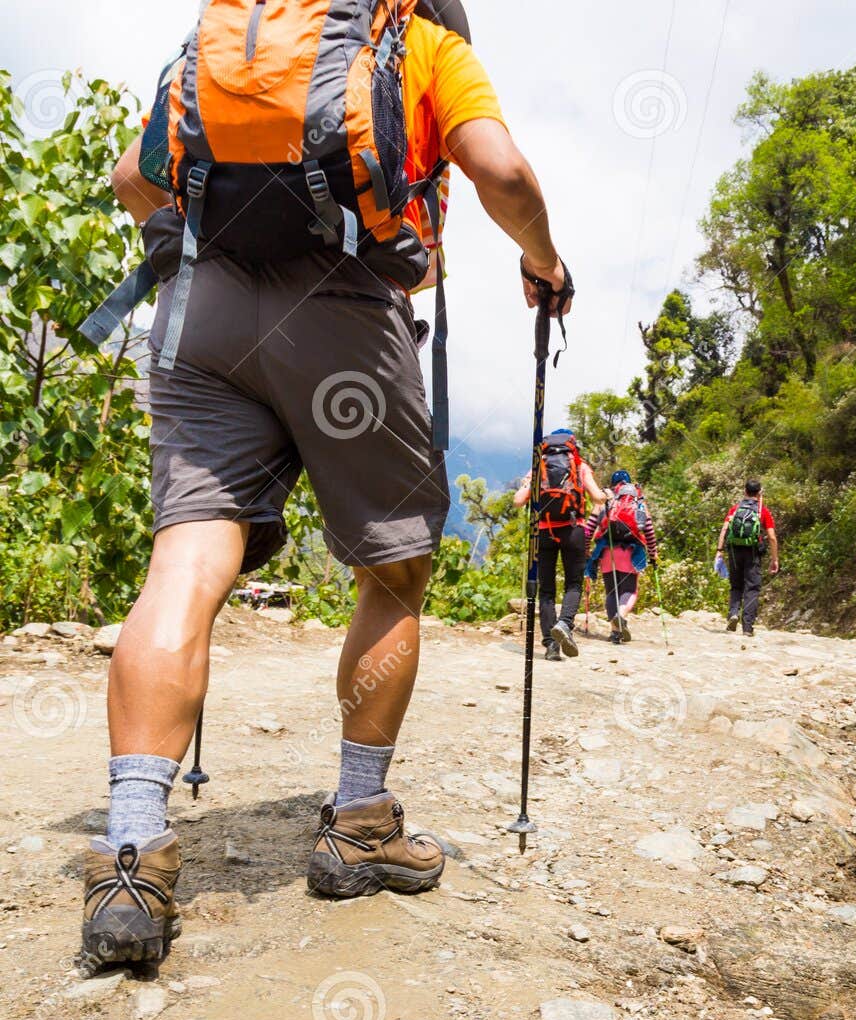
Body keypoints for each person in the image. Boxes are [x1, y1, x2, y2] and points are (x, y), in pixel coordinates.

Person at [84, 4, 573, 967]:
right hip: (346, 313)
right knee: (392, 571)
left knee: (186, 556)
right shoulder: (421, 44)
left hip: (203, 313)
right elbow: (503, 172)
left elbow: (135, 179)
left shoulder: (228, 39)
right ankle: (358, 823)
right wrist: (543, 260)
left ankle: (130, 850)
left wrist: (205, 255)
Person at [513, 430, 611, 661]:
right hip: (573, 530)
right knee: (573, 584)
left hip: (544, 532)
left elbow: (518, 500)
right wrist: (605, 495)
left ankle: (550, 646)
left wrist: (527, 483)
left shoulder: (539, 467)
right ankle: (565, 624)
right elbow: (597, 497)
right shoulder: (579, 465)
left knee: (546, 590)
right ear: (572, 446)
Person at [583, 471, 659, 644]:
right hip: (631, 552)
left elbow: (589, 528)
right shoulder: (637, 500)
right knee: (629, 590)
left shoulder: (605, 499)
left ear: (612, 484)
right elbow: (648, 529)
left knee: (611, 591)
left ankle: (615, 632)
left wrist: (586, 550)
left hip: (606, 551)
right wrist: (653, 553)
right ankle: (621, 615)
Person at [715, 480, 779, 637]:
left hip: (734, 552)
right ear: (759, 493)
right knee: (752, 588)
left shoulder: (735, 509)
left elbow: (724, 529)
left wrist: (719, 551)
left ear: (745, 491)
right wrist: (774, 558)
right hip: (752, 553)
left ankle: (733, 614)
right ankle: (747, 628)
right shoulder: (762, 511)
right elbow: (771, 537)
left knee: (736, 585)